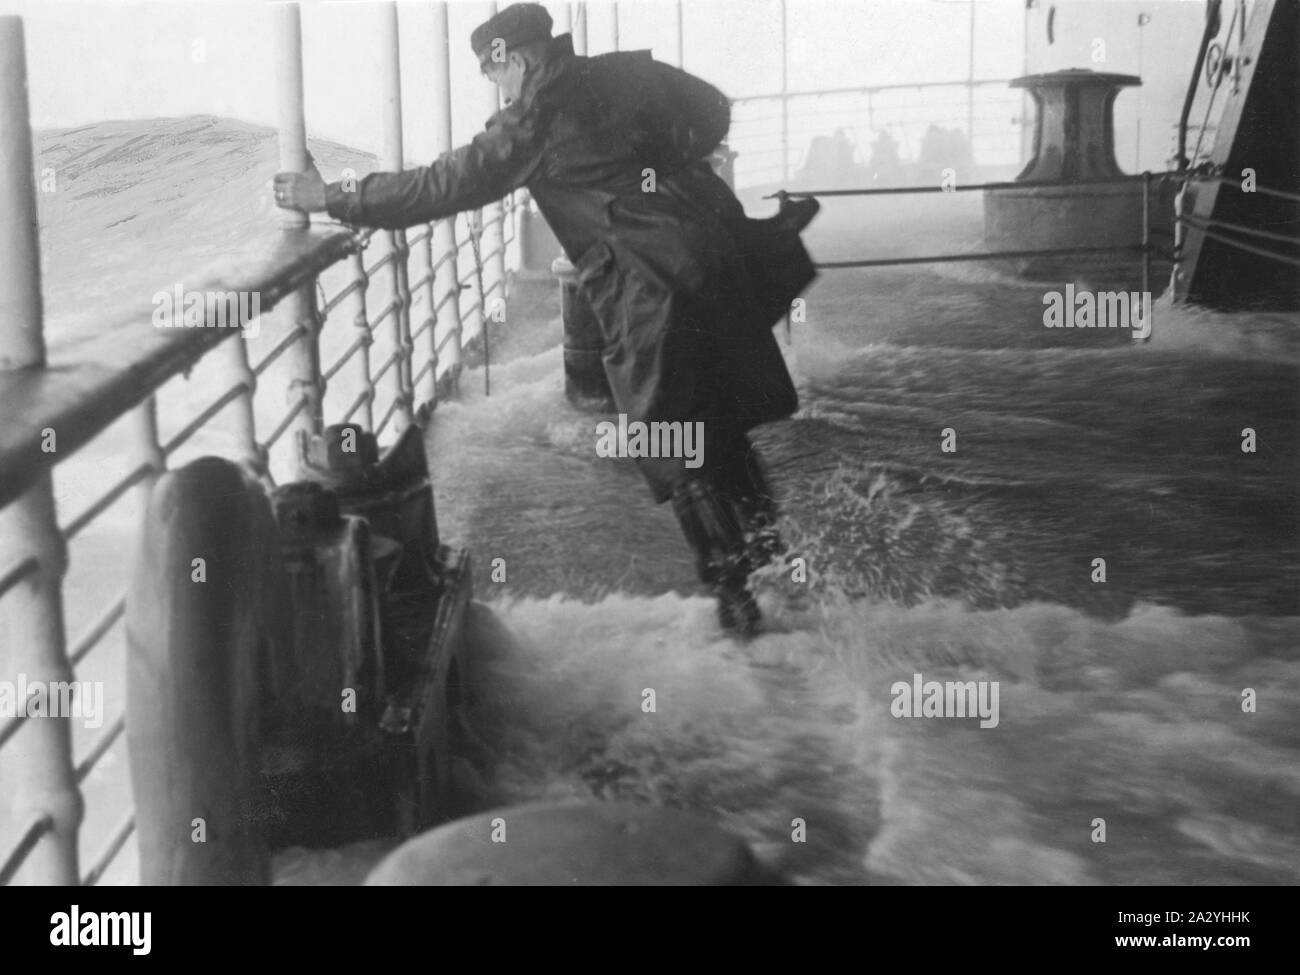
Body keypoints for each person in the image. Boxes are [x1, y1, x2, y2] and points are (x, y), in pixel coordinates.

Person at [274, 2, 818, 637]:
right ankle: (774, 574)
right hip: (718, 255)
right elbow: (710, 109)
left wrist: (332, 196)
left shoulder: (535, 119)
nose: (499, 89)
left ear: (519, 59)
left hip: (655, 288)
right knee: (718, 425)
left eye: (495, 74)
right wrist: (658, 168)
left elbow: (442, 185)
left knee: (675, 441)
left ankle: (743, 610)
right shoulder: (624, 72)